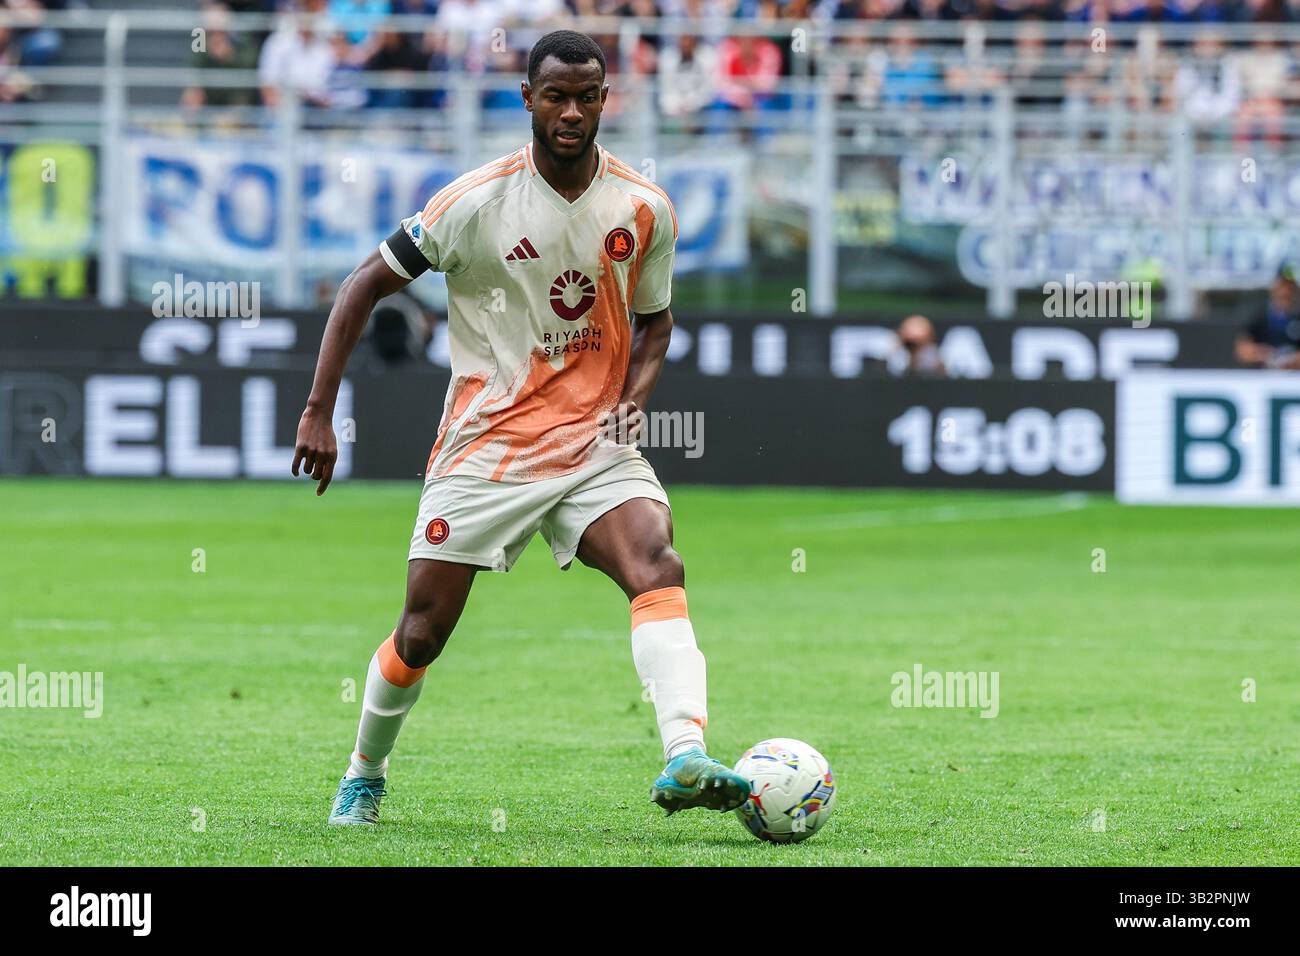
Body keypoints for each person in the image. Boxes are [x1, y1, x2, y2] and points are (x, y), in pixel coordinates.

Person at [294, 30, 751, 826]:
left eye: (586, 96)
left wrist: (634, 400)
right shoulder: (472, 202)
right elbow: (362, 286)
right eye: (555, 96)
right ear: (528, 100)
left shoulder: (643, 206)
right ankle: (364, 770)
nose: (571, 112)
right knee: (423, 632)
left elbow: (657, 323)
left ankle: (685, 753)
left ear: (606, 99)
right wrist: (317, 410)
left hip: (592, 445)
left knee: (658, 564)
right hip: (489, 442)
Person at [1235, 266, 1300, 369]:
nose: (1285, 291)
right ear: (1275, 287)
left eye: (1289, 286)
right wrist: (1263, 354)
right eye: (1282, 285)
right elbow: (1242, 350)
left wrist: (1292, 360)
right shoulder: (1261, 316)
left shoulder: (1297, 317)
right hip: (1263, 378)